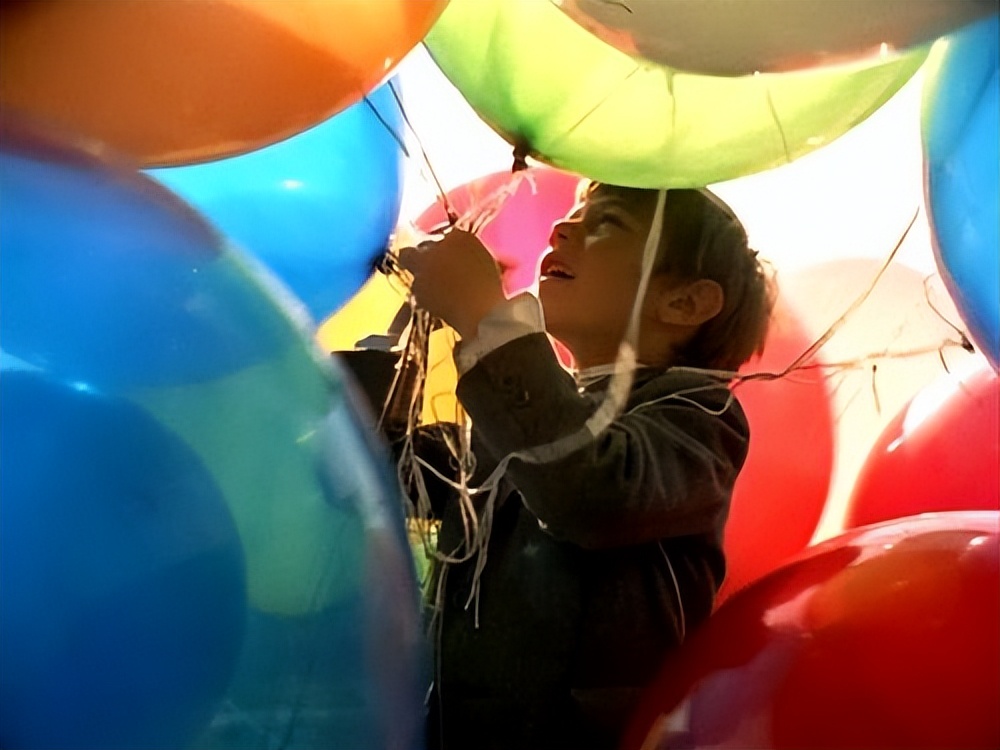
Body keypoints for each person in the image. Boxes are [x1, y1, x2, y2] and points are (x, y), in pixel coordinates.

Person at [344, 183, 775, 750]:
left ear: (685, 304)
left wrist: (485, 316)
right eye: (572, 214)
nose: (561, 229)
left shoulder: (698, 413)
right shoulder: (518, 417)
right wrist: (377, 371)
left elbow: (589, 490)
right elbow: (390, 477)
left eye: (607, 224)